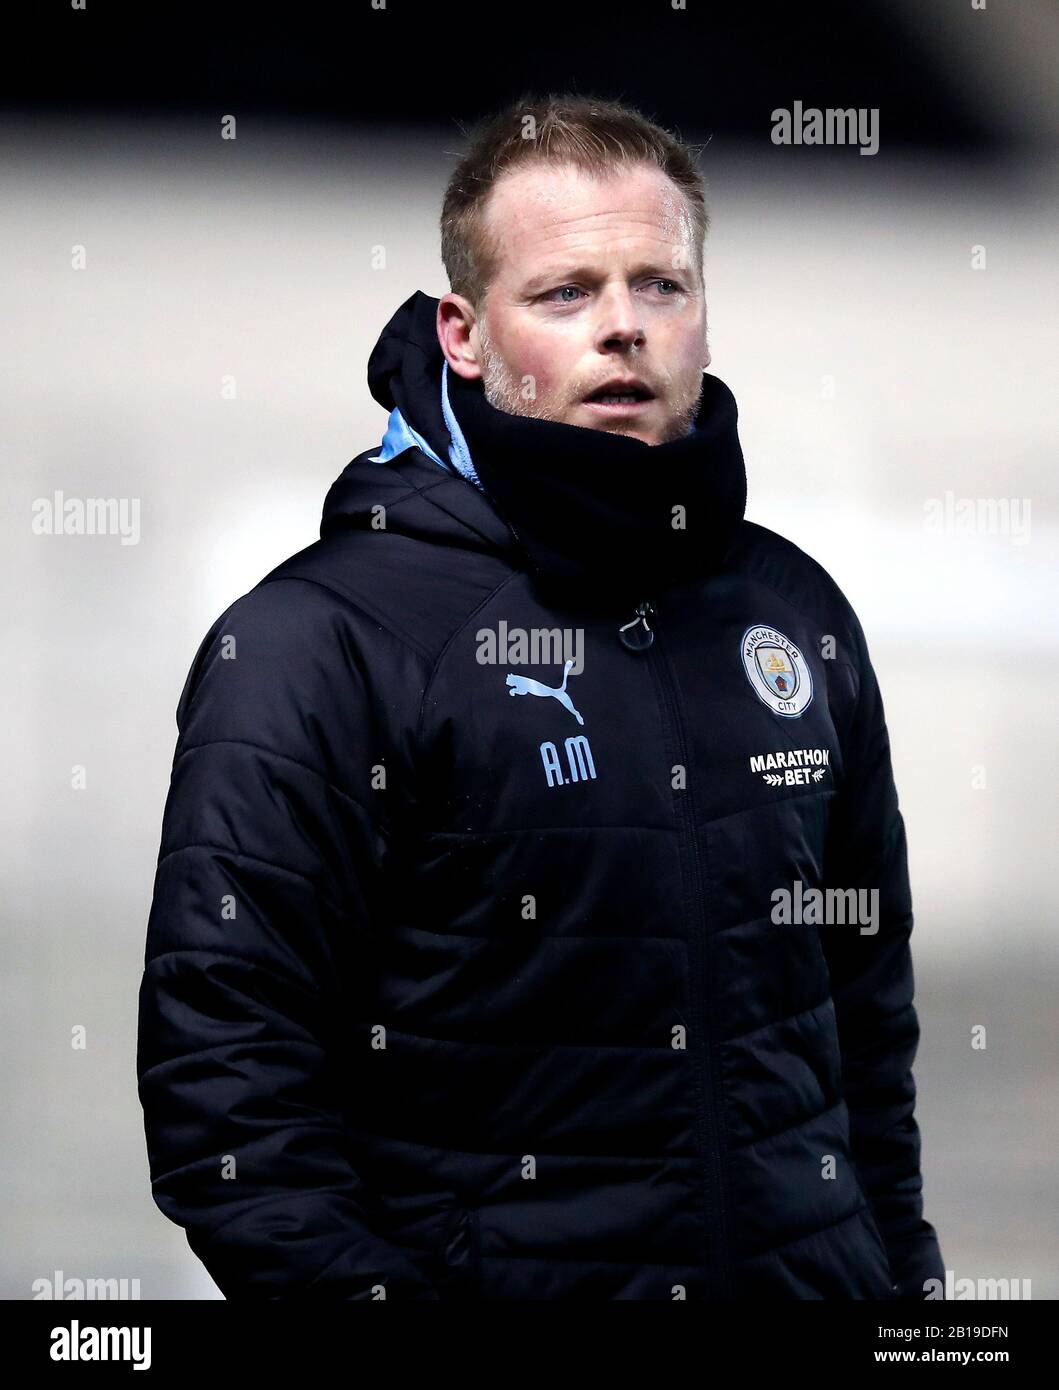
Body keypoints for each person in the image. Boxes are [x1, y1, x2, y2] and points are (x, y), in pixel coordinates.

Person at [136, 91, 945, 1301]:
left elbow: (864, 1025)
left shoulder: (795, 611)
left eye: (659, 285)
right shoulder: (318, 645)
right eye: (565, 293)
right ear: (463, 333)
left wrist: (907, 1291)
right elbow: (228, 1093)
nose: (623, 328)